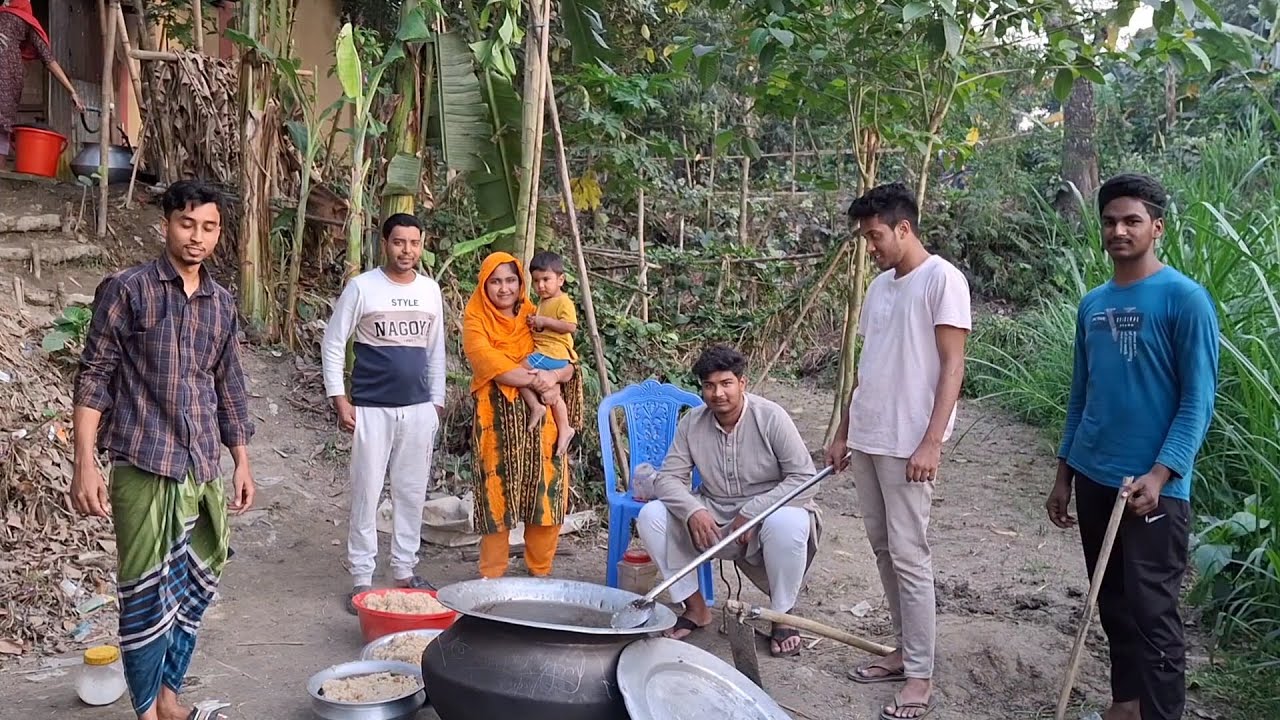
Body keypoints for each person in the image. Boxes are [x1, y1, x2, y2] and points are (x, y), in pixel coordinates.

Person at [70, 180, 254, 720]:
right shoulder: (128, 290)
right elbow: (94, 376)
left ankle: (170, 698)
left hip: (202, 468)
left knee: (193, 584)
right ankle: (147, 710)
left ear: (219, 233)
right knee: (146, 592)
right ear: (166, 224)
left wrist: (240, 459)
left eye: (209, 227)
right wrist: (85, 462)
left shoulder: (221, 305)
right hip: (145, 463)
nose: (197, 237)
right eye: (187, 224)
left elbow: (229, 384)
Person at [1047, 173, 1218, 720]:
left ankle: (1161, 713)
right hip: (1096, 478)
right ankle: (1126, 705)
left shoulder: (1185, 300)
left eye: (1132, 220)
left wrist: (1162, 474)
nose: (1119, 230)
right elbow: (1082, 394)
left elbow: (1198, 400)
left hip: (1152, 489)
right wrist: (1064, 473)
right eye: (1110, 221)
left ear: (1157, 227)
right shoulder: (1092, 304)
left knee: (1154, 614)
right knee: (1114, 606)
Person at [824, 182, 970, 720]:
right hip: (869, 435)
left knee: (910, 555)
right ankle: (904, 649)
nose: (871, 246)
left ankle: (921, 675)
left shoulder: (943, 280)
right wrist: (844, 430)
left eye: (876, 235)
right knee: (884, 549)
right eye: (867, 237)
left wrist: (932, 441)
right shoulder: (881, 288)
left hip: (911, 442)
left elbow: (953, 367)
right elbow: (870, 366)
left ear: (903, 228)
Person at [637, 344, 820, 658]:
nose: (718, 394)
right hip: (714, 513)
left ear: (742, 383)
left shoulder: (771, 417)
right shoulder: (692, 422)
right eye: (709, 386)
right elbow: (668, 478)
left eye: (726, 384)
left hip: (769, 513)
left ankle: (782, 617)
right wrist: (693, 510)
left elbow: (804, 478)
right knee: (651, 514)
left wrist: (754, 512)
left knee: (789, 521)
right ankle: (695, 609)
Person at [321, 213, 447, 613]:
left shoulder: (430, 291)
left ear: (421, 244)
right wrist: (339, 397)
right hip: (371, 409)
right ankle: (362, 579)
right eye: (398, 242)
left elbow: (436, 351)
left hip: (418, 409)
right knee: (367, 492)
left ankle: (405, 572)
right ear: (384, 243)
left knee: (411, 493)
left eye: (413, 242)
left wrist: (437, 403)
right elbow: (334, 342)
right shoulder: (362, 287)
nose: (406, 250)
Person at [462, 251, 582, 578]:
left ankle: (540, 573)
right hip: (495, 422)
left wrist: (555, 377)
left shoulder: (534, 313)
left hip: (542, 427)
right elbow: (493, 365)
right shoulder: (475, 320)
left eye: (511, 280)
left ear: (521, 283)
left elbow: (568, 361)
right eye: (496, 281)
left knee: (546, 493)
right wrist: (540, 380)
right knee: (496, 495)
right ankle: (491, 577)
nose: (504, 288)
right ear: (484, 285)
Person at [0, 0, 85, 158]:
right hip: (10, 76)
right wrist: (72, 91)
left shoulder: (22, 19)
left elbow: (48, 59)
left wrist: (71, 90)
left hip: (7, 77)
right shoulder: (25, 20)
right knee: (2, 133)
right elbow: (49, 60)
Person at [518, 250, 578, 456]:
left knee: (517, 371)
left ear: (560, 280)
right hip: (547, 353)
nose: (540, 285)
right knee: (554, 395)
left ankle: (536, 406)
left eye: (546, 279)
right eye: (536, 281)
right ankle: (565, 428)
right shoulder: (543, 302)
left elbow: (570, 326)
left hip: (552, 353)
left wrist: (544, 321)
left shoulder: (563, 302)